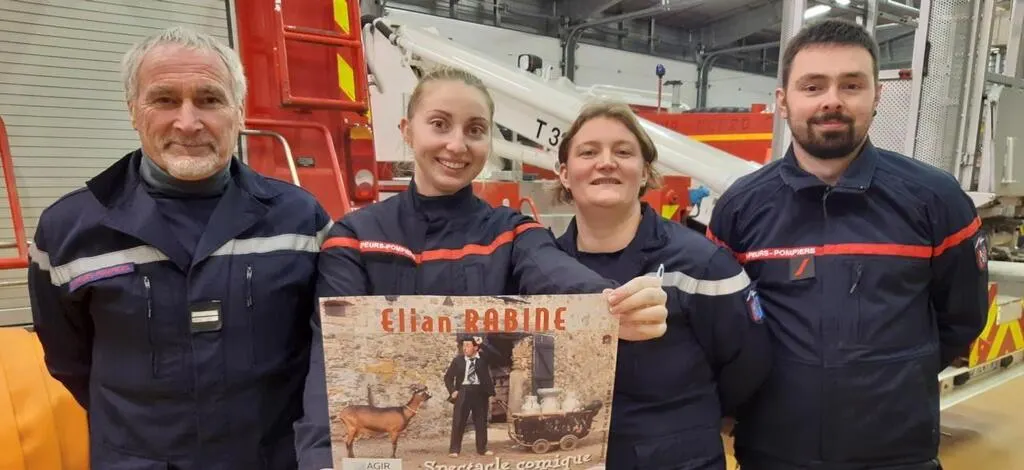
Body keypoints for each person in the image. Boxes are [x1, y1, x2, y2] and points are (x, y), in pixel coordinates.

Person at [293, 66, 670, 469]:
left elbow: (555, 272)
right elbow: (328, 368)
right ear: (407, 131)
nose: (457, 145)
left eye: (475, 130)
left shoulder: (512, 233)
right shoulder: (355, 238)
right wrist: (319, 459)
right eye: (440, 124)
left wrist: (612, 303)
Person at [27, 26, 331, 469]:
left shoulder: (301, 220)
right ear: (133, 111)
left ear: (239, 112)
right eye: (165, 100)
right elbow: (70, 360)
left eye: (209, 100)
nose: (188, 123)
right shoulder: (67, 231)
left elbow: (323, 350)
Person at [706, 18, 988, 470]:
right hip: (774, 452)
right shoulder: (741, 207)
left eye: (851, 85)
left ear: (877, 96)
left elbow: (961, 318)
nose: (832, 101)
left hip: (897, 456)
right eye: (812, 86)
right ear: (783, 101)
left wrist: (892, 378)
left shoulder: (935, 199)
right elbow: (723, 327)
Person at [553, 101, 772, 469]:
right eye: (588, 152)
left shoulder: (701, 265)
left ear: (644, 172)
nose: (606, 162)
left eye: (623, 152)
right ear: (564, 174)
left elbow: (747, 365)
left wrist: (684, 425)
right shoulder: (545, 267)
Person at [443, 336, 496, 457]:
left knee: (481, 422)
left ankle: (482, 449)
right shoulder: (458, 360)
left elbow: (496, 356)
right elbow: (448, 377)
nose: (464, 348)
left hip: (480, 392)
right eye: (463, 346)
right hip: (463, 391)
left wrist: (482, 344)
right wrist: (452, 391)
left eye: (468, 345)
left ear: (475, 348)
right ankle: (454, 450)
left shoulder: (483, 358)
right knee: (458, 421)